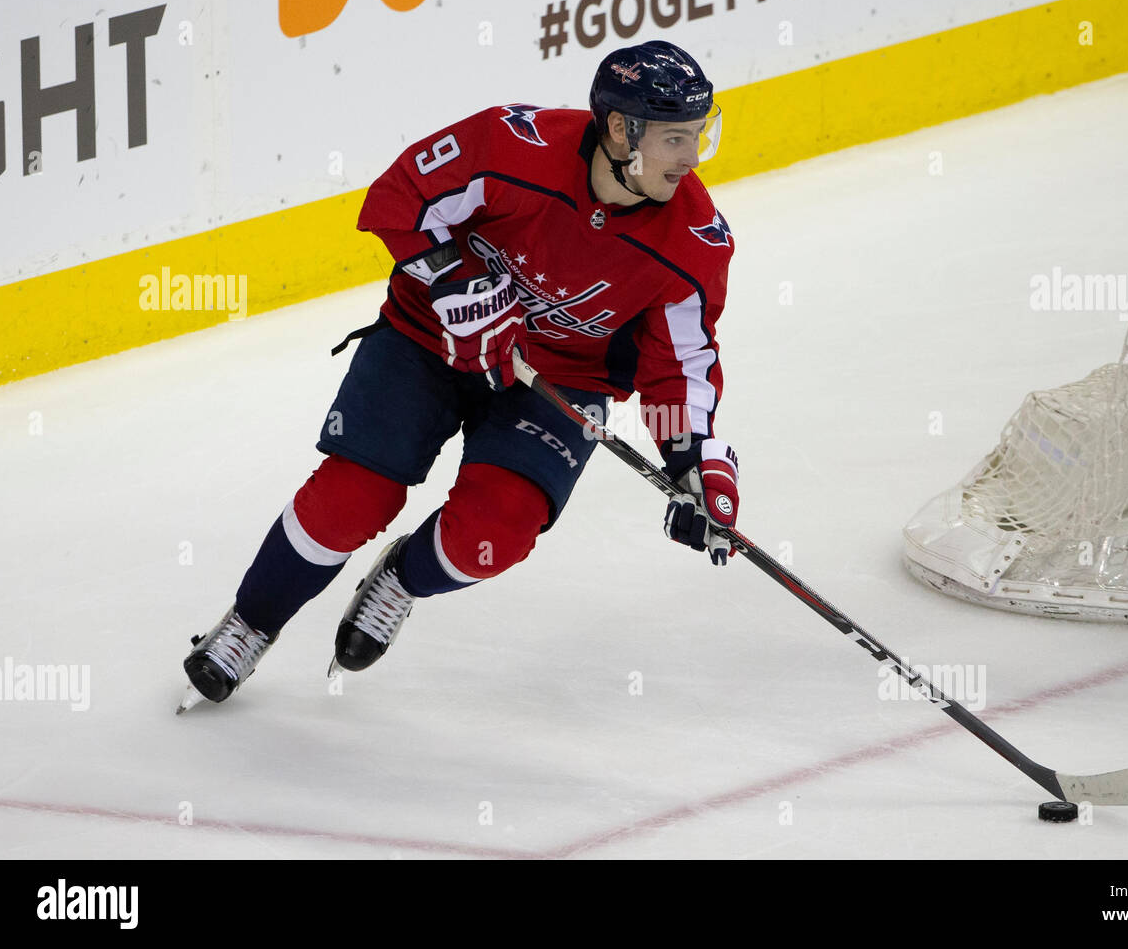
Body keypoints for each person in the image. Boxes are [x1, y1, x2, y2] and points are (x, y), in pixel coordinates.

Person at [178, 40, 740, 712]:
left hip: (557, 382)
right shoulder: (511, 145)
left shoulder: (694, 240)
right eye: (677, 138)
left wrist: (694, 461)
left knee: (492, 535)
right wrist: (455, 282)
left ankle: (399, 581)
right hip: (428, 340)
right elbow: (397, 197)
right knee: (352, 497)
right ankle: (251, 621)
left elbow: (679, 367)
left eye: (698, 135)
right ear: (620, 129)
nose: (693, 158)